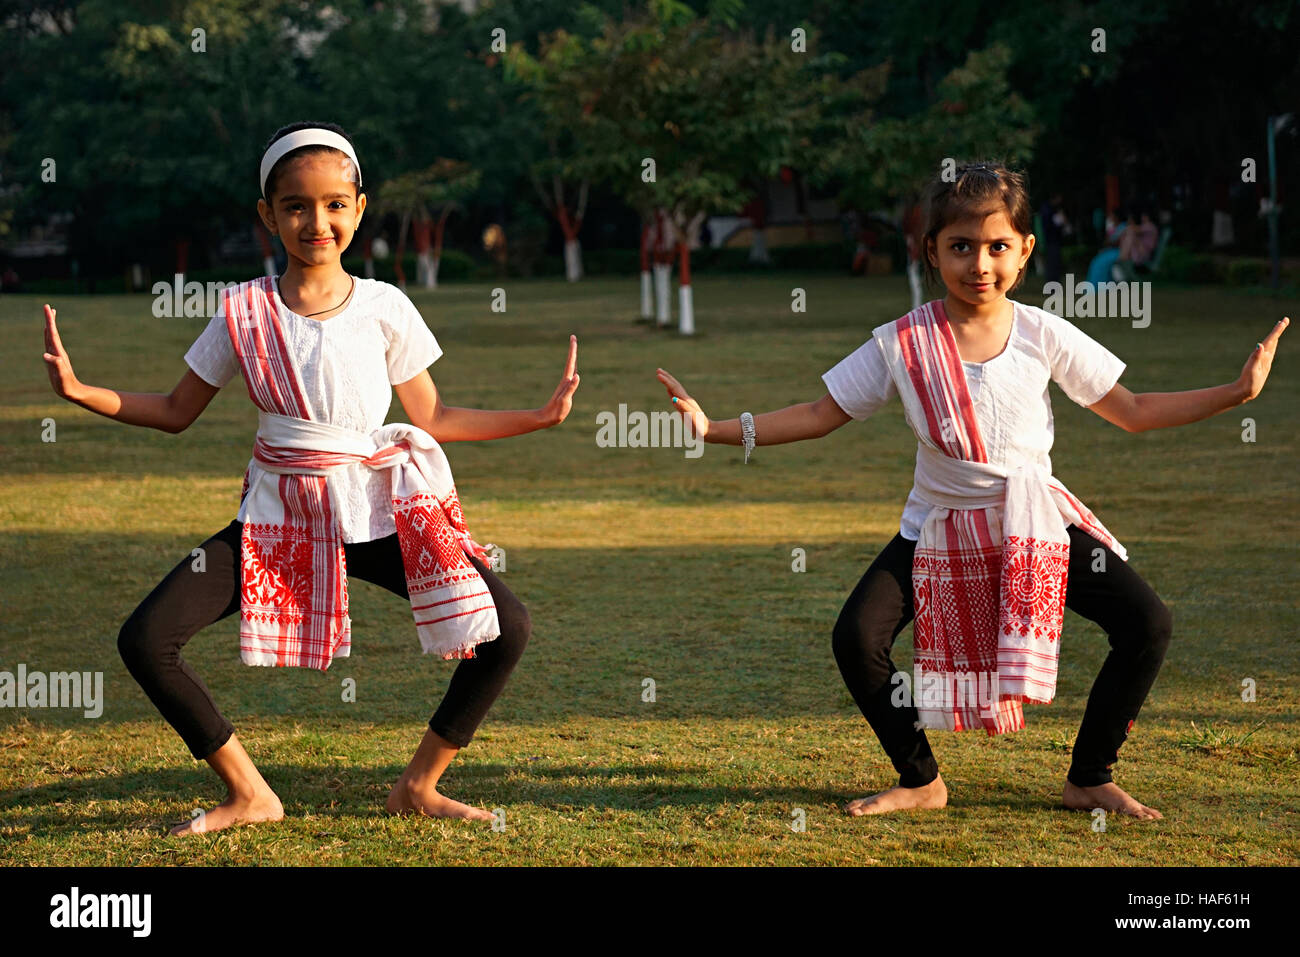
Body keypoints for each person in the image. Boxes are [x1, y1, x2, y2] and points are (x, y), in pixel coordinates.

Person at [656, 160, 1287, 820]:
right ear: (931, 251)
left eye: (997, 247)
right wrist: (717, 428)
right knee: (856, 637)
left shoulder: (1043, 334)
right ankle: (921, 776)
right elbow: (821, 413)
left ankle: (1091, 774)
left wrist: (1236, 393)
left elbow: (1131, 409)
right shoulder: (903, 343)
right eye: (960, 247)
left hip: (1031, 525)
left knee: (1147, 623)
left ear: (1024, 251)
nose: (979, 265)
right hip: (937, 526)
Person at [41, 122, 582, 836]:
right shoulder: (244, 311)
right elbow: (176, 411)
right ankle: (250, 792)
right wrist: (83, 391)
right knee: (146, 638)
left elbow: (436, 413)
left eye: (333, 204)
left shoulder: (385, 305)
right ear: (268, 215)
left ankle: (419, 784)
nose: (316, 221)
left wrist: (538, 417)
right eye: (295, 205)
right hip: (279, 517)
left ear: (359, 209)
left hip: (378, 508)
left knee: (505, 625)